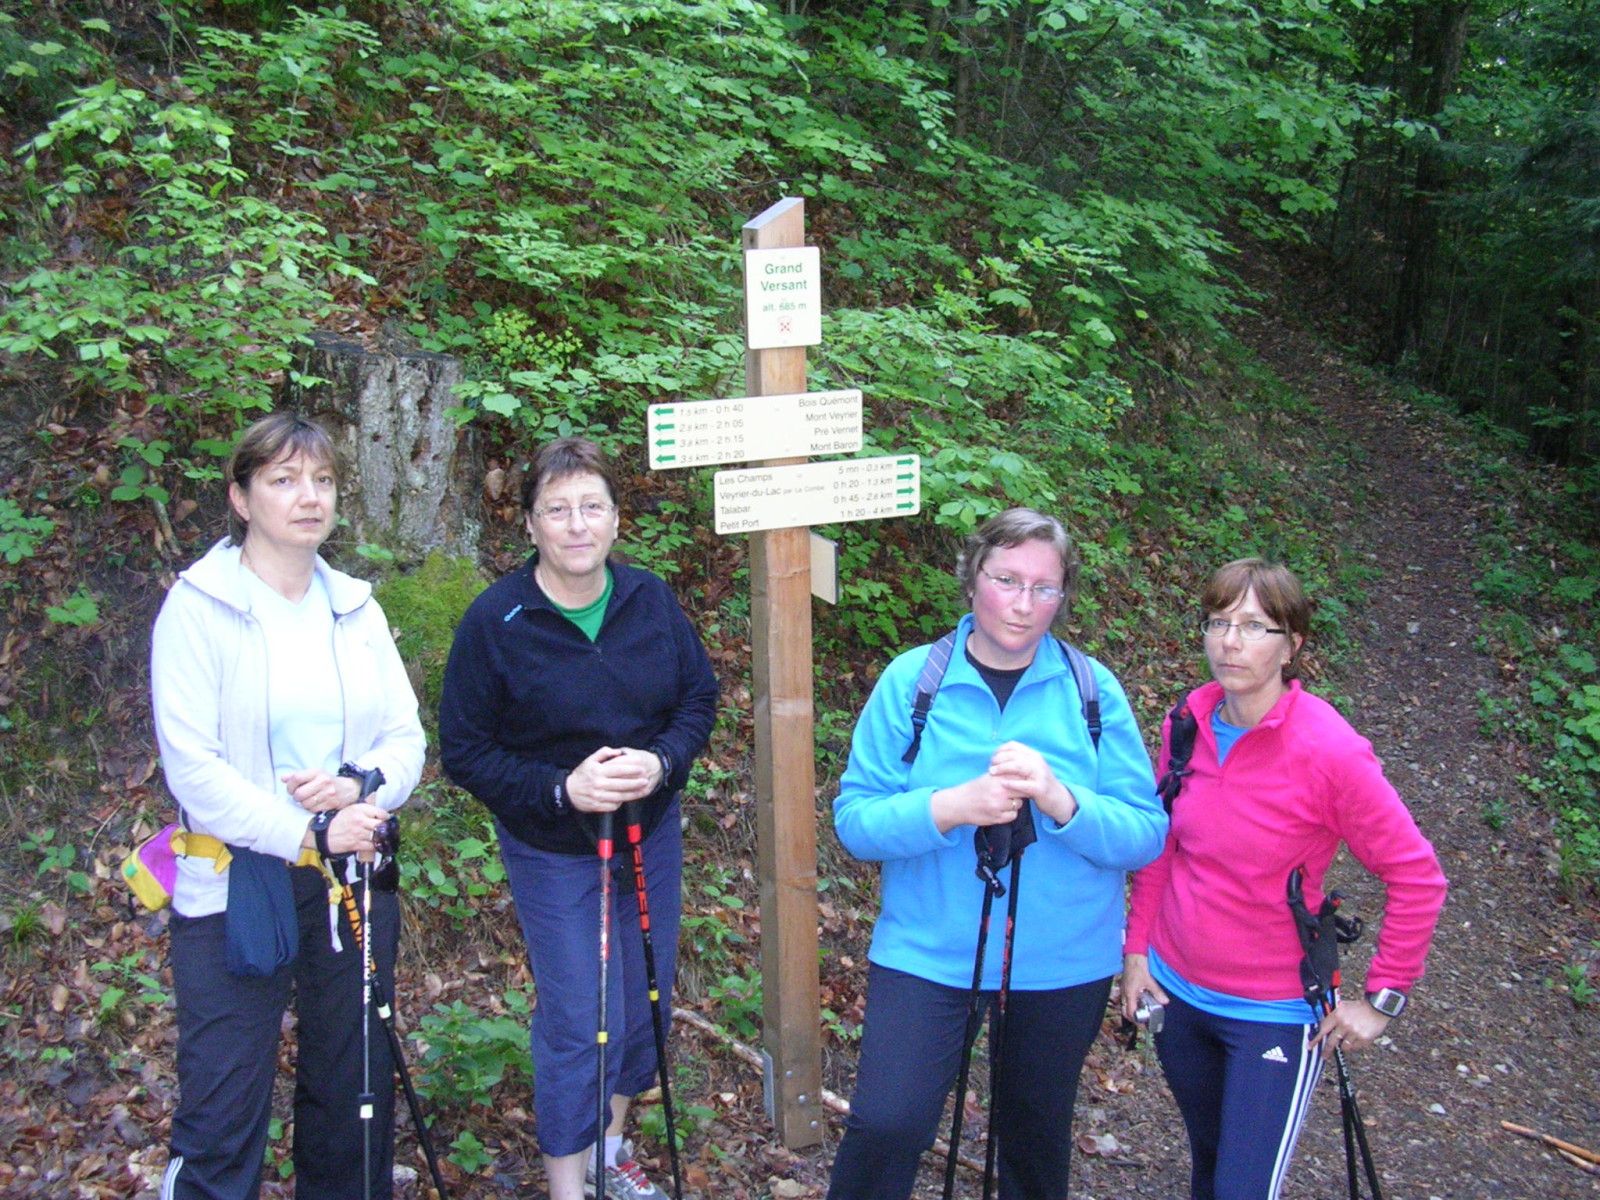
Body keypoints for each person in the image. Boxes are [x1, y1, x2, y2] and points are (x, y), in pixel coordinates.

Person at [827, 507, 1167, 1200]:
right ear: (971, 576)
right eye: (1006, 579)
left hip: (1062, 960)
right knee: (887, 1125)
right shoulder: (912, 682)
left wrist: (1060, 798)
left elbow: (1145, 833)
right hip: (928, 951)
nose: (1023, 603)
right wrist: (953, 807)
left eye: (1045, 587)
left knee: (1035, 1141)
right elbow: (856, 822)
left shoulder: (1090, 690)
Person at [150, 412, 425, 1199]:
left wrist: (362, 784)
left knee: (353, 1096)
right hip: (238, 886)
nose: (309, 497)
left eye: (323, 481)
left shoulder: (355, 609)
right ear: (241, 498)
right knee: (224, 1101)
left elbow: (405, 737)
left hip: (349, 883)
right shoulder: (200, 609)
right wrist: (306, 826)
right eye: (283, 480)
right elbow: (193, 769)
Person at [438, 436, 718, 1200]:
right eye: (556, 510)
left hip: (647, 835)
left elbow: (698, 699)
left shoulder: (648, 601)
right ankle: (567, 1183)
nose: (576, 525)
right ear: (528, 524)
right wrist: (563, 788)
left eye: (591, 507)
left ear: (616, 519)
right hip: (553, 847)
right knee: (578, 1011)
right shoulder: (498, 621)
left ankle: (610, 1151)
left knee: (643, 999)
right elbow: (464, 750)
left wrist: (661, 762)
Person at [1122, 558, 1448, 1200]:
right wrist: (1137, 952)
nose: (1230, 642)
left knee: (1244, 1186)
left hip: (1272, 1011)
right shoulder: (1186, 724)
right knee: (1212, 1165)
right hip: (1179, 997)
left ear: (1292, 644)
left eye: (1254, 626)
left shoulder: (1328, 750)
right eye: (1218, 622)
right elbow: (1162, 847)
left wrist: (1383, 999)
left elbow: (1417, 875)